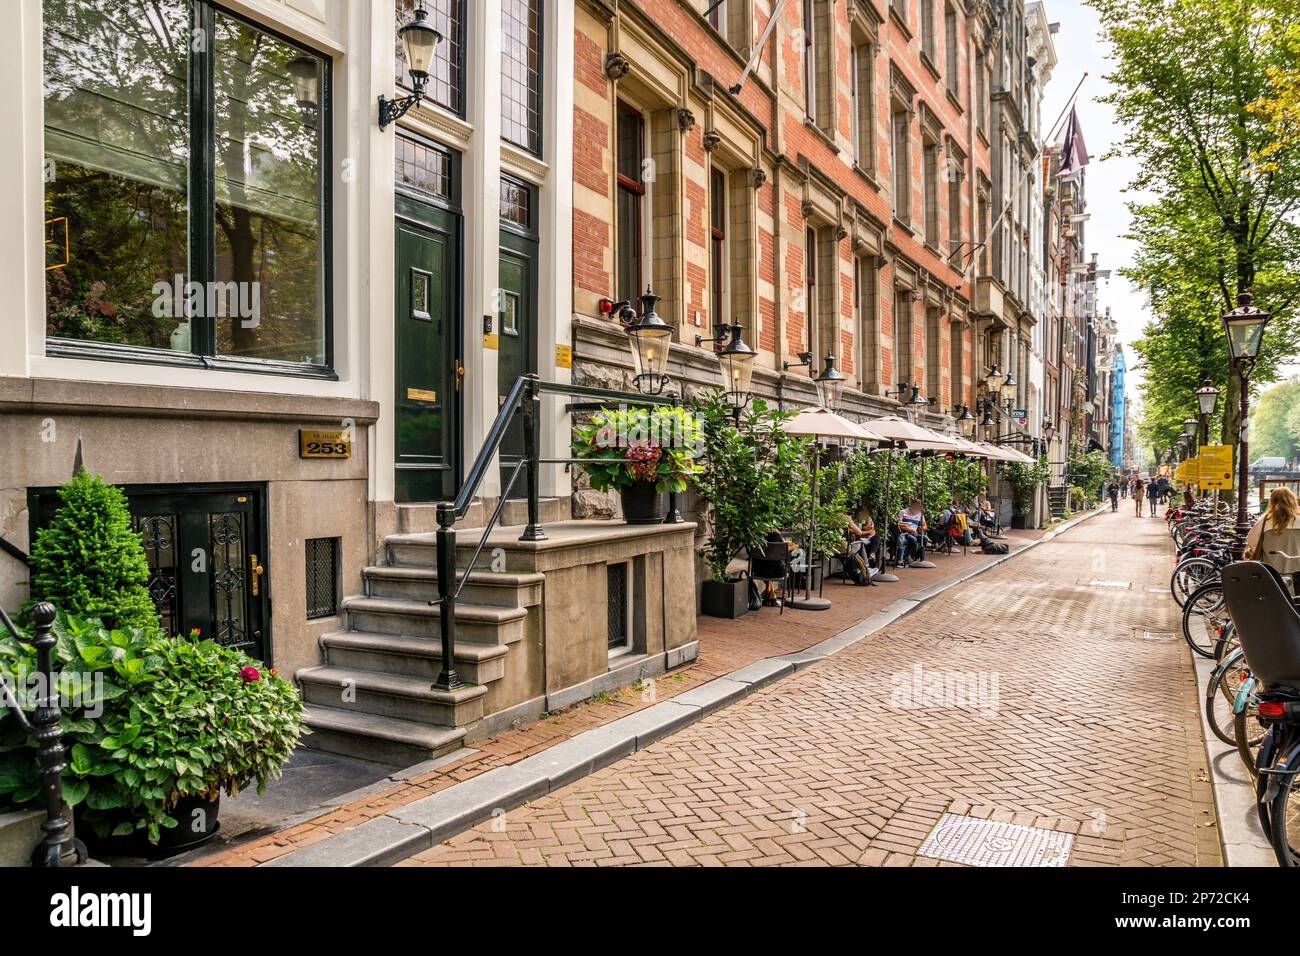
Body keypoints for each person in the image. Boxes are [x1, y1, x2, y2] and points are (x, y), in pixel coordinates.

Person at [1245, 487, 1300, 592]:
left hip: (1272, 572)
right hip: (1298, 570)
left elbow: (1251, 541)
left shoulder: (1265, 522)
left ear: (1272, 502)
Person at [896, 498, 925, 568]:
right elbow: (898, 524)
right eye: (915, 506)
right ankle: (906, 556)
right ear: (911, 505)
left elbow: (924, 525)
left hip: (914, 533)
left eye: (918, 507)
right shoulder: (903, 512)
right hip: (904, 533)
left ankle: (916, 558)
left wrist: (922, 528)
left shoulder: (920, 514)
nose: (917, 508)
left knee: (924, 539)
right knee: (913, 539)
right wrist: (909, 530)